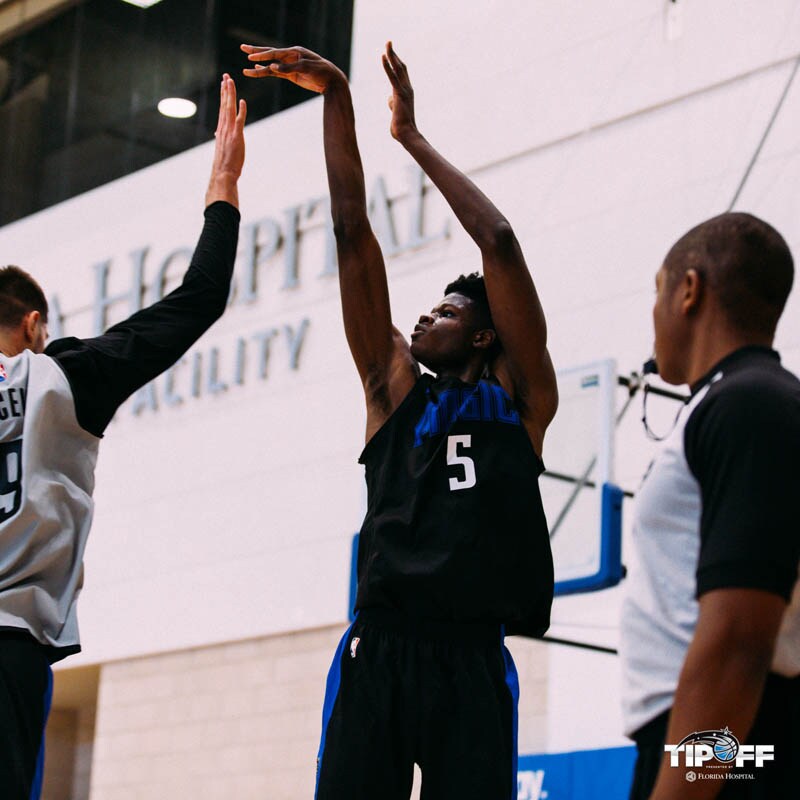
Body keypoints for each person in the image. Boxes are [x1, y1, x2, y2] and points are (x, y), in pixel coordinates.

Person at [242, 41, 557, 800]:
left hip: (474, 658)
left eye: (448, 310)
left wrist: (413, 139)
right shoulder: (391, 390)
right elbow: (352, 232)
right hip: (381, 649)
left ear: (485, 336)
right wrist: (337, 99)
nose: (426, 313)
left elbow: (500, 241)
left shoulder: (520, 402)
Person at [0, 75, 246, 799]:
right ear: (36, 325)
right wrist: (224, 184)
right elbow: (197, 298)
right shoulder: (59, 375)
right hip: (12, 643)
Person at [620, 212, 800, 799]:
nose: (653, 315)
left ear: (689, 290)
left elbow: (740, 637)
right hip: (714, 739)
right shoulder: (730, 404)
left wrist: (680, 783)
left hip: (727, 740)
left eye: (657, 290)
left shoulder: (749, 403)